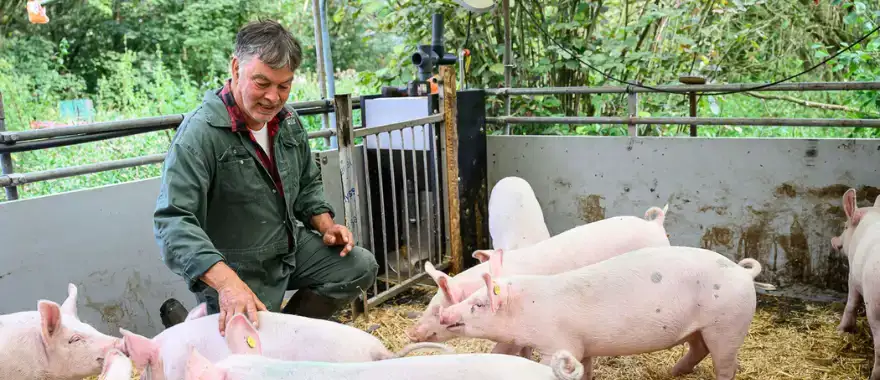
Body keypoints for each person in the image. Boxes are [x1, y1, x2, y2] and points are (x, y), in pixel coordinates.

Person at [152, 19, 378, 335]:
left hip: (287, 248)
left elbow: (307, 183)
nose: (273, 97)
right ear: (235, 68)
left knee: (358, 267)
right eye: (262, 83)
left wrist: (326, 226)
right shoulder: (200, 134)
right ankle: (204, 328)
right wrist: (228, 283)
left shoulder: (287, 121)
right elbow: (173, 222)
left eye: (284, 86)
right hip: (236, 266)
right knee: (246, 347)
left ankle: (288, 334)